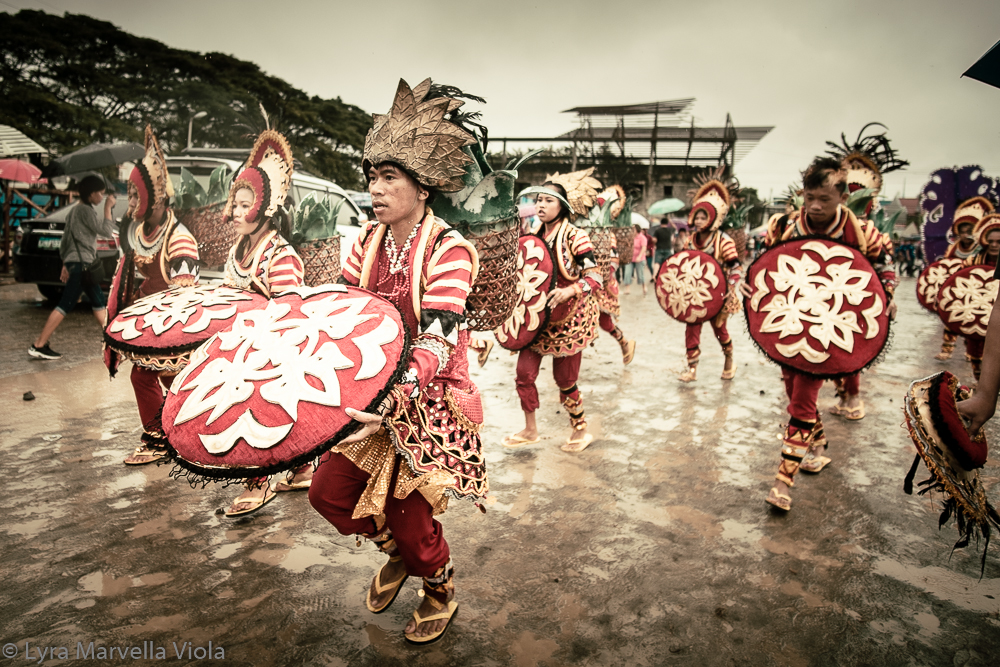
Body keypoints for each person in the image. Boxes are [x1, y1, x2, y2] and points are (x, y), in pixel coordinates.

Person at [308, 78, 489, 644]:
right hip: (367, 393)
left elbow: (438, 336)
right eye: (371, 177)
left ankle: (439, 588)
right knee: (328, 495)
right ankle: (399, 556)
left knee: (414, 522)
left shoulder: (449, 248)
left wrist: (399, 389)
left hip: (426, 397)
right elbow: (343, 315)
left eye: (389, 177)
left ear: (423, 187)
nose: (375, 188)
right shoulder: (366, 240)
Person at [741, 157, 896, 511]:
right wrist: (751, 287)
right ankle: (816, 448)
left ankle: (782, 481)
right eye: (810, 196)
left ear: (842, 195)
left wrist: (886, 295)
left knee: (801, 400)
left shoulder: (863, 233)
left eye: (824, 199)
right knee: (793, 388)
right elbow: (768, 266)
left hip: (829, 330)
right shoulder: (784, 227)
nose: (814, 205)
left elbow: (885, 267)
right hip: (789, 324)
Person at [217, 129, 315, 517]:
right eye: (235, 204)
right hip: (241, 346)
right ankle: (303, 468)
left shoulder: (280, 255)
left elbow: (287, 316)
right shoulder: (238, 248)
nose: (237, 212)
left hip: (270, 352)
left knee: (251, 412)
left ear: (265, 206)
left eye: (246, 204)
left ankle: (258, 484)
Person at [111, 126, 200, 466]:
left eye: (135, 195)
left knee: (146, 376)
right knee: (177, 385)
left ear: (157, 198)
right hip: (153, 325)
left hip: (174, 328)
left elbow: (183, 299)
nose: (130, 202)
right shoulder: (142, 231)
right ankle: (178, 434)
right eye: (129, 194)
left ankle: (158, 440)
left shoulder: (179, 240)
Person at [502, 168, 603, 453]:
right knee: (524, 375)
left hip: (568, 320)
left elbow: (595, 277)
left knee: (566, 381)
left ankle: (580, 429)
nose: (542, 205)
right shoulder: (531, 235)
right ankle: (531, 429)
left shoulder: (576, 237)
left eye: (549, 200)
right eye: (539, 200)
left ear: (563, 206)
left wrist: (570, 290)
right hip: (536, 319)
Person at [29, 175, 116, 360]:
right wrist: (108, 209)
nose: (101, 197)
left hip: (77, 264)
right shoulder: (86, 211)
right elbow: (106, 232)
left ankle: (114, 343)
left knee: (99, 302)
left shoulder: (74, 211)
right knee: (66, 304)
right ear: (91, 194)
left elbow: (65, 241)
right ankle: (39, 344)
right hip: (84, 264)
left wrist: (65, 264)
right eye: (100, 194)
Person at [678, 173, 741, 383]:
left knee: (720, 330)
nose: (699, 221)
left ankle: (729, 358)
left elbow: (736, 267)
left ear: (713, 218)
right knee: (691, 329)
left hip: (719, 295)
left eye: (704, 217)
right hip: (695, 294)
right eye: (697, 216)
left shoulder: (724, 241)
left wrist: (731, 287)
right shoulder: (690, 241)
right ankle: (692, 369)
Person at [935, 197, 989, 360]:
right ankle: (947, 349)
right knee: (951, 320)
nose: (966, 235)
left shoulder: (982, 251)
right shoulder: (953, 248)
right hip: (957, 289)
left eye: (970, 231)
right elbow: (947, 267)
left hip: (978, 292)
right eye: (963, 231)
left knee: (973, 322)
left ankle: (971, 351)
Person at [591, 187, 637, 363]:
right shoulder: (582, 232)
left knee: (605, 322)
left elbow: (613, 263)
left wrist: (598, 276)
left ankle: (624, 342)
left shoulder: (609, 236)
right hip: (583, 283)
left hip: (602, 286)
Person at [957, 213, 1000, 383]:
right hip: (975, 313)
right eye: (992, 241)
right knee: (976, 350)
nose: (995, 245)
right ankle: (982, 383)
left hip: (996, 316)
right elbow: (958, 285)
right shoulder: (972, 261)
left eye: (999, 242)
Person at [622, 223, 647, 296]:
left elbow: (644, 248)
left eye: (633, 229)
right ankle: (627, 289)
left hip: (640, 258)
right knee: (627, 273)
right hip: (630, 258)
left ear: (637, 230)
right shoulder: (630, 237)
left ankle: (644, 286)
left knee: (640, 274)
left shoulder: (642, 238)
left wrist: (639, 256)